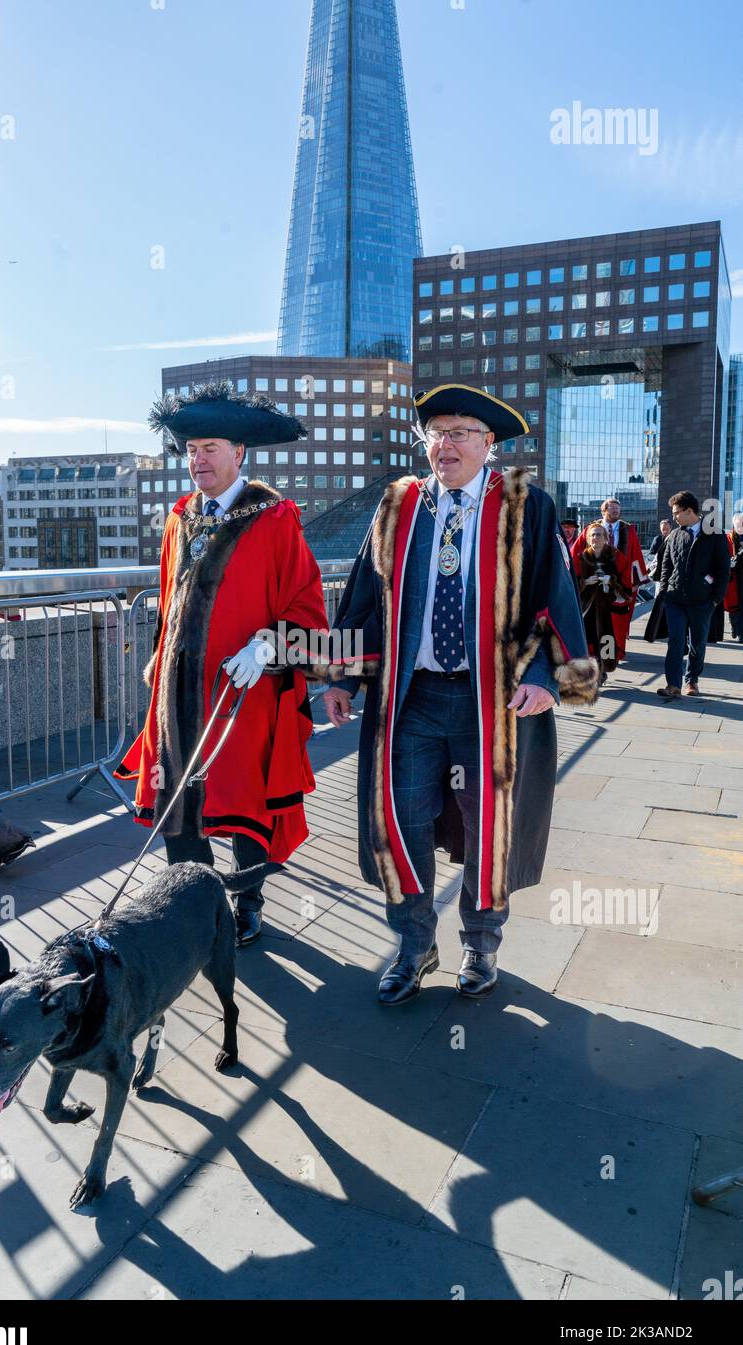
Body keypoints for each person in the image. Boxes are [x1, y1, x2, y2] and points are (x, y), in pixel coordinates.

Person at [322, 384, 598, 1005]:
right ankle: (415, 944)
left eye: (461, 433)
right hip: (410, 700)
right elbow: (363, 595)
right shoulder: (397, 507)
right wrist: (340, 676)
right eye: (437, 433)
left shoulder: (528, 506)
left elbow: (556, 596)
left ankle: (481, 943)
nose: (446, 444)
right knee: (404, 822)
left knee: (487, 827)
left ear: (489, 445)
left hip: (490, 704)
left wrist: (546, 676)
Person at [115, 382, 328, 946]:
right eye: (191, 449)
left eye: (211, 447)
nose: (198, 459)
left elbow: (306, 606)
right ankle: (190, 903)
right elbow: (168, 598)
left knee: (243, 794)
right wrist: (160, 657)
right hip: (179, 687)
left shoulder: (276, 519)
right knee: (178, 793)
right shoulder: (179, 518)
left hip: (244, 689)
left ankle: (246, 901)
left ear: (239, 454)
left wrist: (266, 648)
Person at [656, 490, 730, 699]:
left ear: (689, 511)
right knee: (675, 641)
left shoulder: (715, 534)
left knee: (697, 643)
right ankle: (673, 684)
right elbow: (666, 566)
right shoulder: (675, 535)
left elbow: (723, 571)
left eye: (676, 512)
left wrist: (715, 599)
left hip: (702, 601)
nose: (674, 517)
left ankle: (692, 680)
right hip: (675, 599)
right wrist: (663, 591)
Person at [572, 497, 646, 663]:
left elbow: (635, 555)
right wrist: (580, 579)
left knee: (616, 621)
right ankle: (592, 653)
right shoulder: (591, 529)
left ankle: (613, 652)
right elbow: (575, 554)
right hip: (591, 582)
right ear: (603, 511)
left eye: (618, 509)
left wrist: (633, 581)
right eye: (612, 509)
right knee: (590, 620)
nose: (616, 512)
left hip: (618, 580)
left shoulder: (628, 529)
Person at [573, 522, 633, 685]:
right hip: (587, 606)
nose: (595, 537)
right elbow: (571, 581)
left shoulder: (616, 556)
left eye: (599, 534)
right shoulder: (581, 557)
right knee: (588, 639)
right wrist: (584, 582)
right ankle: (589, 672)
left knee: (606, 638)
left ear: (606, 538)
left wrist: (612, 581)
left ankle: (602, 670)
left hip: (609, 607)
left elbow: (627, 581)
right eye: (592, 534)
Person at [724, 513, 743, 642]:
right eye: (738, 524)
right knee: (734, 606)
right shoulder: (728, 538)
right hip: (734, 577)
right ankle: (735, 627)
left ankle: (741, 632)